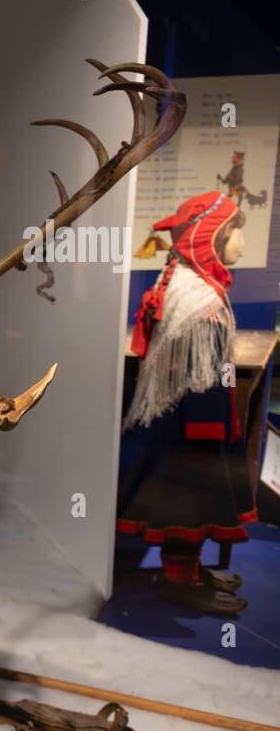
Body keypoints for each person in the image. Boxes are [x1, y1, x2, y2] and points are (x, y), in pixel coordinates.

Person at [117, 190, 254, 615]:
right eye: (234, 231)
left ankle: (189, 571)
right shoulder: (197, 300)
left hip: (185, 416)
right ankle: (180, 580)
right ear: (210, 236)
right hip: (190, 424)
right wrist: (218, 427)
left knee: (189, 503)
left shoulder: (187, 283)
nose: (241, 243)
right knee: (189, 503)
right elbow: (202, 377)